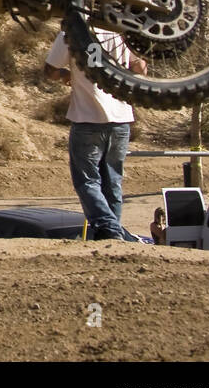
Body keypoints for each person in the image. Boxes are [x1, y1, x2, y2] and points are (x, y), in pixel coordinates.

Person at [44, 28, 147, 241]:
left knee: (87, 181)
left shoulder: (71, 32)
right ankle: (113, 233)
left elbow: (51, 69)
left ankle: (108, 228)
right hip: (121, 118)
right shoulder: (121, 31)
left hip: (87, 118)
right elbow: (140, 68)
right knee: (113, 181)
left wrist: (66, 74)